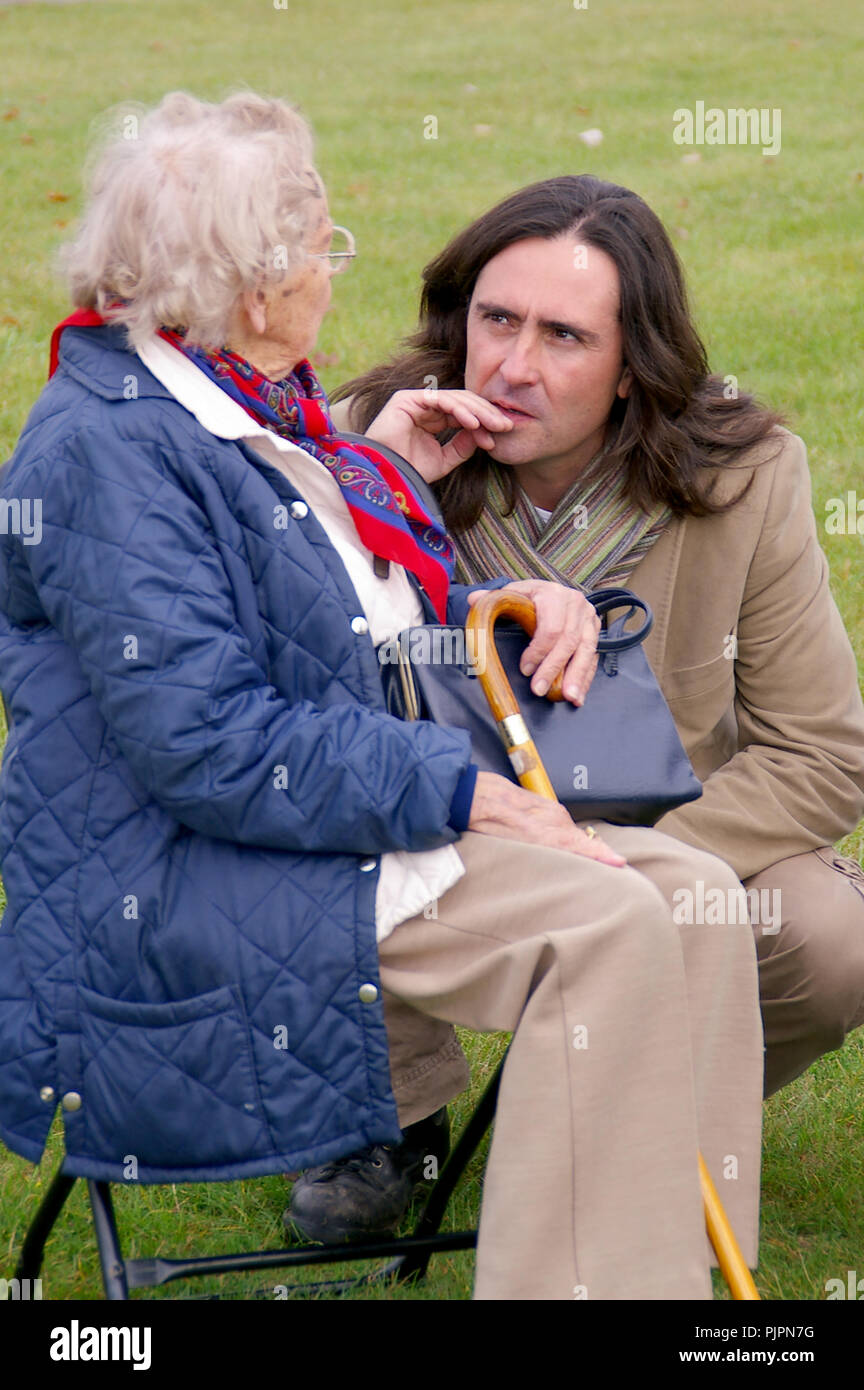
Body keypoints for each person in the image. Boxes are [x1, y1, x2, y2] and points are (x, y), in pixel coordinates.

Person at [0, 103, 762, 1301]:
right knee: (609, 924)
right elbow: (207, 744)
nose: (330, 265)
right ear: (256, 286)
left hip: (320, 816)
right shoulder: (107, 451)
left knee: (699, 893)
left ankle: (676, 1279)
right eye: (320, 242)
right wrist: (469, 795)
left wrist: (505, 595)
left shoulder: (245, 403)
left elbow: (341, 622)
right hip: (198, 862)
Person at [314, 173, 864, 1243]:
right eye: (496, 321)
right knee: (341, 816)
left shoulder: (747, 478)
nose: (514, 367)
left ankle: (616, 1100)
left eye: (565, 337)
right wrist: (379, 483)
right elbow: (287, 716)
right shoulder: (367, 440)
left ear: (630, 369)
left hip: (665, 845)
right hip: (443, 837)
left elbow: (820, 754)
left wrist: (611, 865)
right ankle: (396, 1117)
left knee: (834, 934)